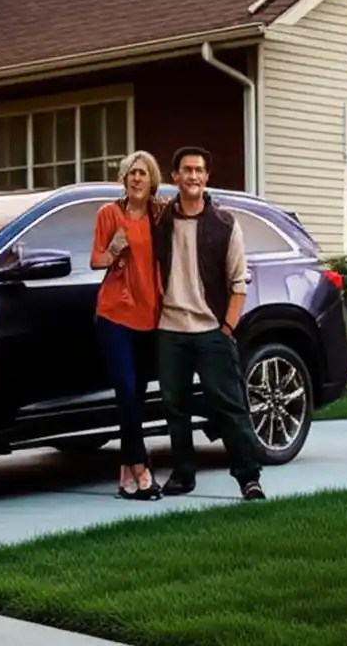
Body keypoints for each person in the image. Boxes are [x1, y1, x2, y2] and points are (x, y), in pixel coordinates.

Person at [153, 146, 265, 501]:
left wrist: (227, 327)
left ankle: (249, 477)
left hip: (211, 330)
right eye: (186, 170)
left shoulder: (224, 224)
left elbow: (238, 281)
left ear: (206, 177)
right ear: (175, 177)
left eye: (199, 170)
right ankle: (183, 474)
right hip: (171, 329)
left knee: (229, 405)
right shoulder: (161, 221)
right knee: (175, 408)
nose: (193, 176)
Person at [90, 150, 164, 500]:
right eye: (131, 173)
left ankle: (125, 474)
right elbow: (96, 260)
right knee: (126, 389)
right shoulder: (109, 214)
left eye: (143, 173)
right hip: (115, 313)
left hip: (150, 315)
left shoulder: (158, 214)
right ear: (124, 179)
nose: (136, 178)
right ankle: (141, 467)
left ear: (152, 181)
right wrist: (115, 250)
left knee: (137, 396)